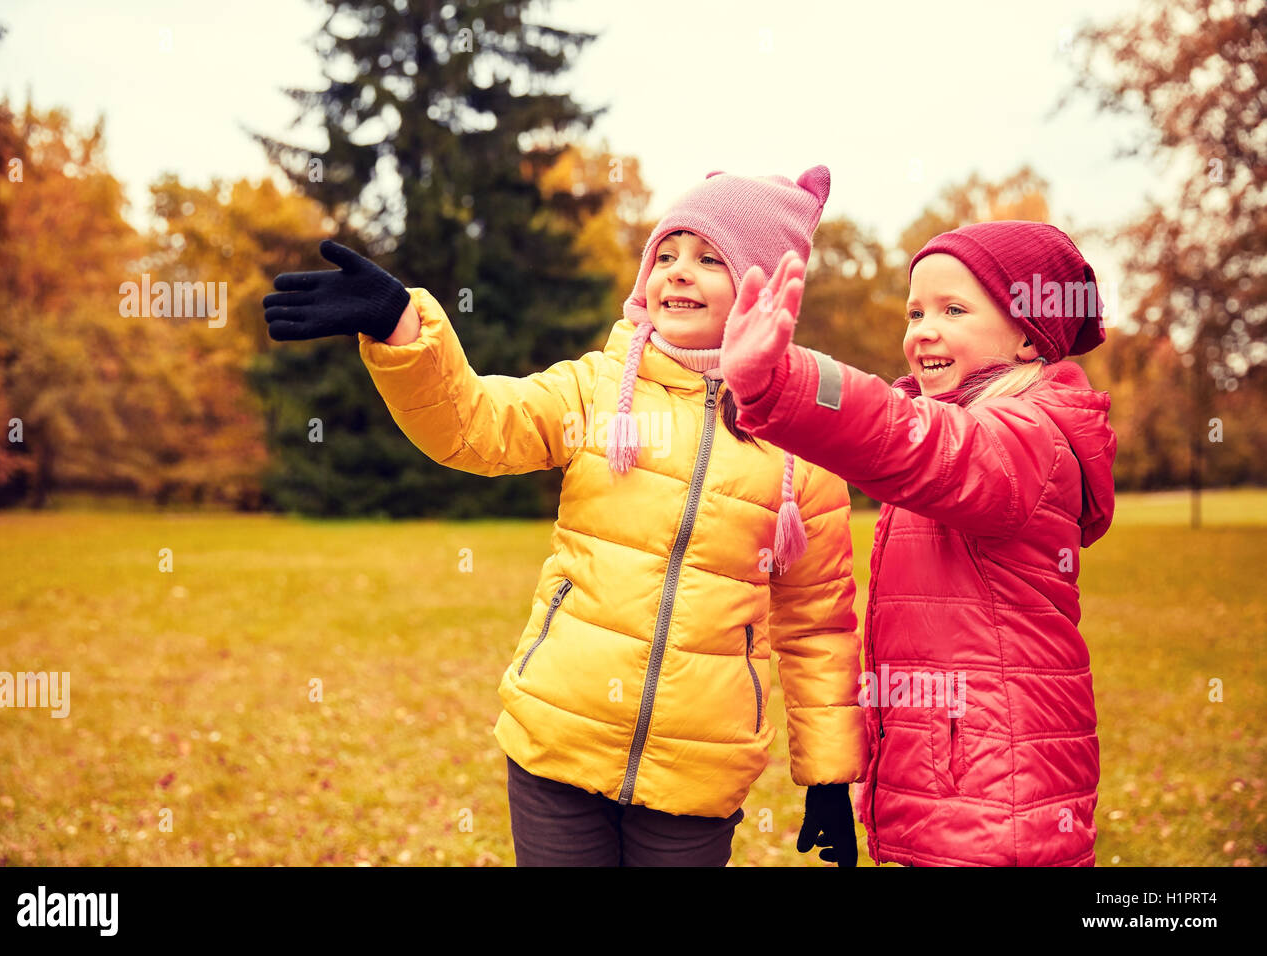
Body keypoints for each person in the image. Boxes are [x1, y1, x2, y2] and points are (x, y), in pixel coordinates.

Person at [262, 166, 869, 866]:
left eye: (709, 259)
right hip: (558, 739)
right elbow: (479, 426)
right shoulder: (595, 389)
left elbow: (816, 623)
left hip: (700, 769)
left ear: (764, 287)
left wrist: (827, 774)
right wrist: (402, 326)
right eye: (666, 254)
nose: (676, 273)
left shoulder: (802, 446)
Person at [719, 221, 1118, 866]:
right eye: (915, 311)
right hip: (956, 783)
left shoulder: (1023, 440)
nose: (922, 330)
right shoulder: (976, 428)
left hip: (998, 795)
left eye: (953, 309)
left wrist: (785, 381)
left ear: (1026, 336)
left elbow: (912, 441)